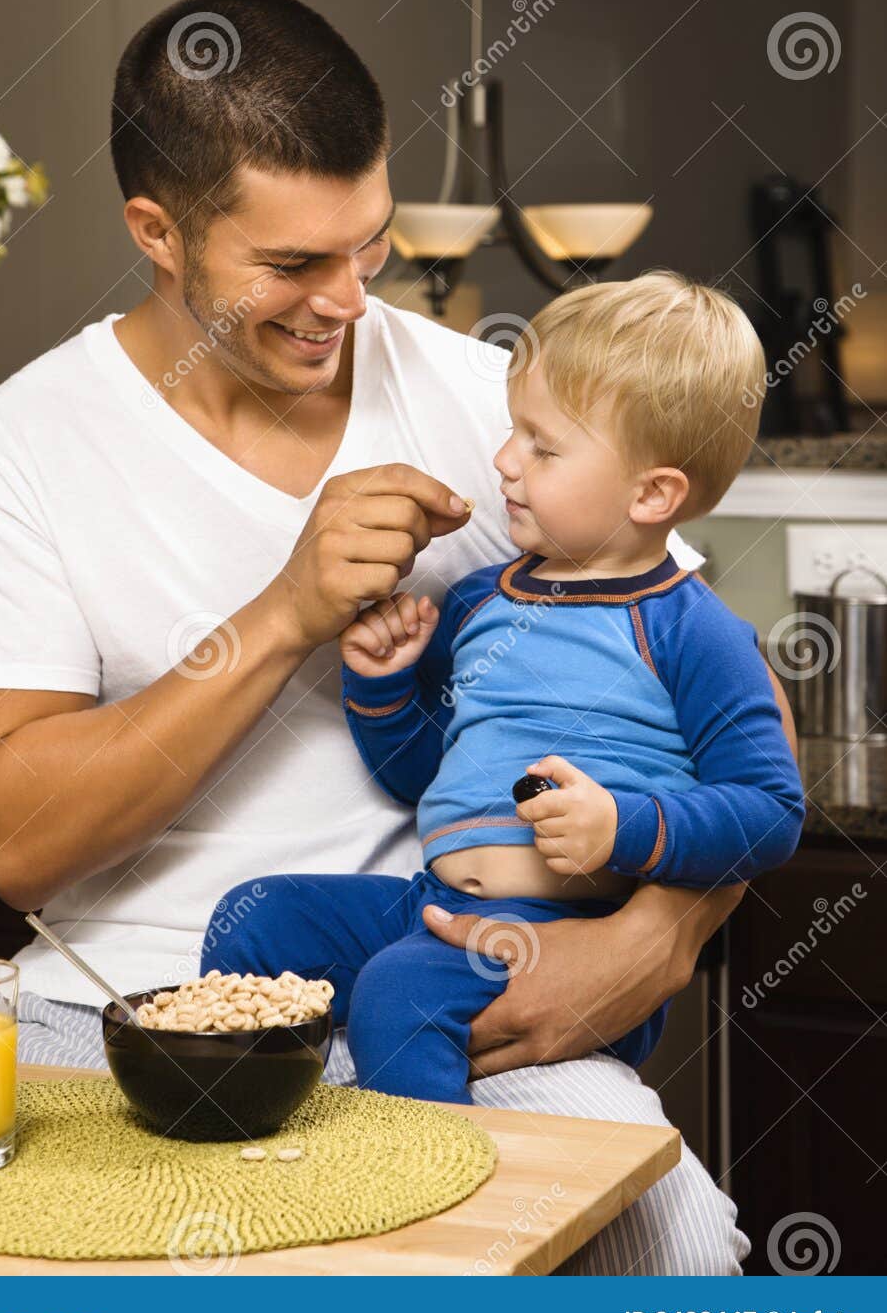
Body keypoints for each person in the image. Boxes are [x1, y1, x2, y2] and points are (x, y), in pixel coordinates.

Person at [0, 0, 794, 1274]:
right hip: (116, 999)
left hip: (459, 976)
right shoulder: (13, 449)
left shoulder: (484, 399)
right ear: (156, 230)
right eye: (288, 264)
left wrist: (648, 939)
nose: (344, 300)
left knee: (671, 1252)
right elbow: (13, 842)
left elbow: (738, 727)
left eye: (367, 246)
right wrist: (283, 615)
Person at [200, 274, 805, 1101]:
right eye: (512, 430)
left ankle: (422, 1193)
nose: (503, 460)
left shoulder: (690, 630)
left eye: (542, 447)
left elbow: (770, 811)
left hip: (558, 934)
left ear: (652, 493)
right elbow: (420, 775)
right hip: (431, 903)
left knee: (399, 990)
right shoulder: (484, 600)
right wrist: (380, 688)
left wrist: (622, 827)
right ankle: (244, 1135)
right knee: (259, 918)